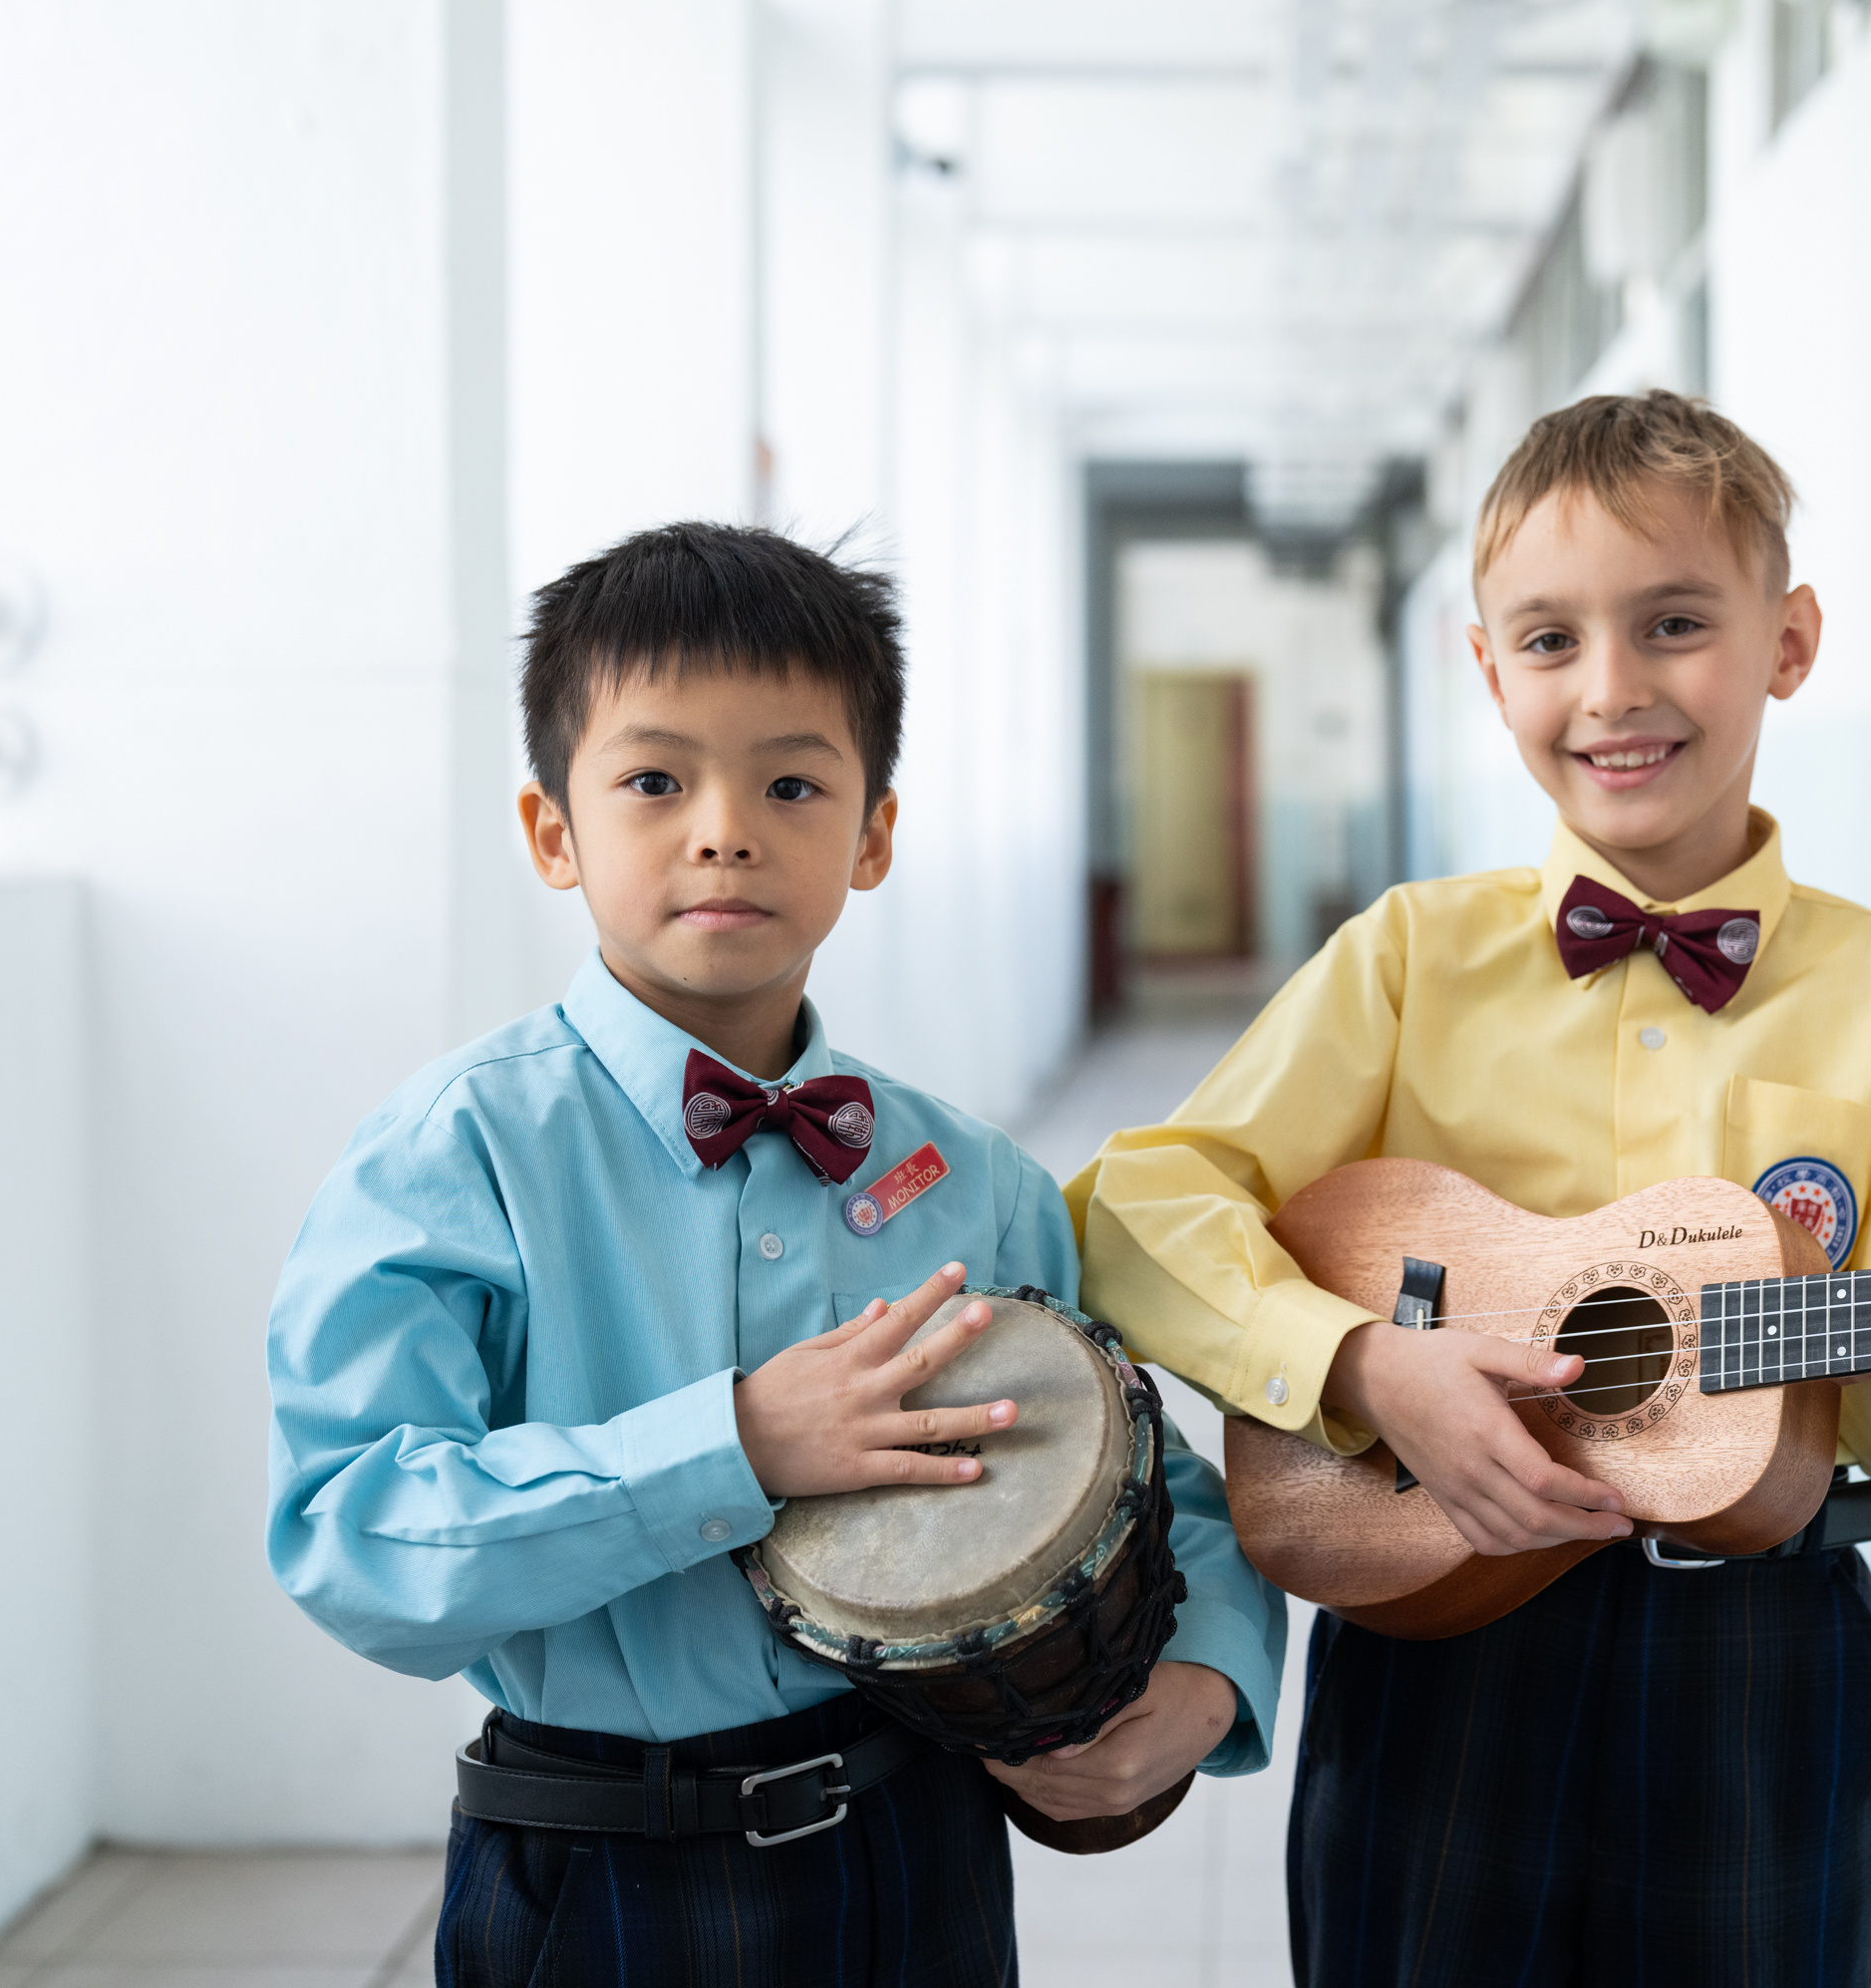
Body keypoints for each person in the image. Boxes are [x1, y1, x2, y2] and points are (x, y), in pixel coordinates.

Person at [1071, 391, 1871, 1986]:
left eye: (1674, 623)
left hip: (1762, 1661)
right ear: (1486, 669)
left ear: (1788, 642)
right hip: (1431, 1628)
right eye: (1549, 641)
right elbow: (1134, 1204)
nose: (1612, 691)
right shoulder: (1408, 960)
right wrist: (1362, 1363)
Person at [266, 522, 1284, 1988]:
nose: (725, 827)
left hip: (920, 1844)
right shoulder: (449, 1156)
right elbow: (352, 1534)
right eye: (656, 780)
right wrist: (731, 1444)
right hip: (598, 1869)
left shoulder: (980, 1180)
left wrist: (1208, 1679)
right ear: (554, 829)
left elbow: (1140, 1466)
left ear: (872, 833)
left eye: (792, 782)